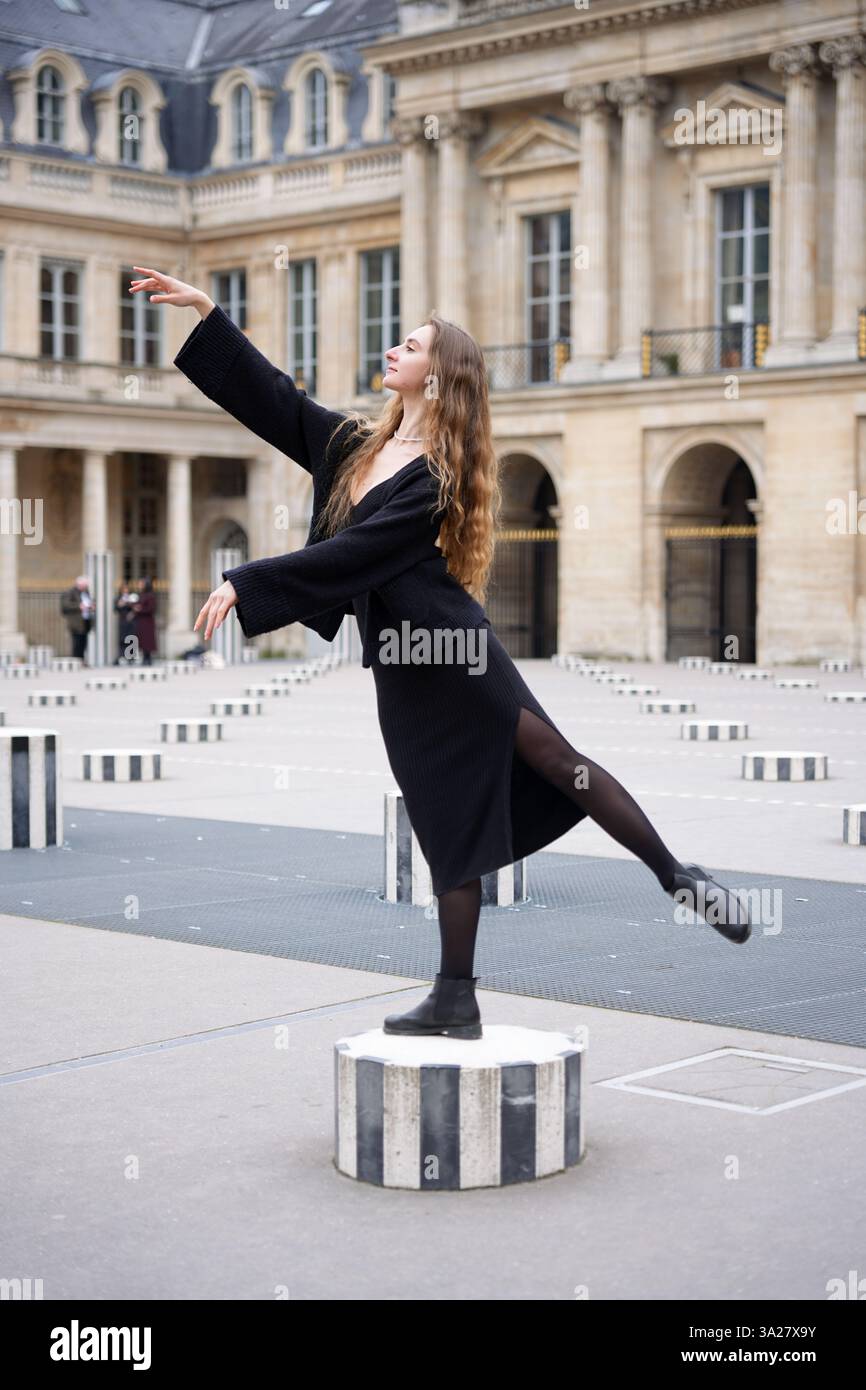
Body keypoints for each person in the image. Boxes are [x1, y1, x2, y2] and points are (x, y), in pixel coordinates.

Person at [133, 263, 752, 1044]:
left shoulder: (436, 475)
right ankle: (455, 996)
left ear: (440, 374)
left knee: (560, 763)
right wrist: (207, 315)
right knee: (445, 824)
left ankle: (678, 877)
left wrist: (247, 584)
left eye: (412, 345)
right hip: (400, 665)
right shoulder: (355, 446)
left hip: (455, 651)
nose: (395, 350)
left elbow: (357, 555)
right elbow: (276, 403)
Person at [59, 574, 94, 665]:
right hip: (76, 622)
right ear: (79, 584)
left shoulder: (86, 593)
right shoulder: (70, 593)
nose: (85, 587)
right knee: (77, 643)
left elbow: (88, 603)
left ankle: (82, 660)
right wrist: (79, 606)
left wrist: (91, 606)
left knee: (83, 642)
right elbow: (65, 606)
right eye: (84, 585)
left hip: (85, 621)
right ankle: (76, 661)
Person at [132, 576, 157, 666]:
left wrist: (140, 609)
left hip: (147, 622)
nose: (139, 585)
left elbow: (151, 608)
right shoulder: (141, 595)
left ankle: (148, 658)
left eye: (141, 584)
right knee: (142, 640)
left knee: (148, 640)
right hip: (141, 621)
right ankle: (144, 657)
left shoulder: (150, 595)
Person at [114, 581, 138, 664]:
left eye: (126, 589)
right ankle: (121, 656)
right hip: (123, 620)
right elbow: (116, 609)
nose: (125, 590)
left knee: (131, 638)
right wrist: (120, 604)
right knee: (122, 639)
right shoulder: (119, 598)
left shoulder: (132, 597)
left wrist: (132, 613)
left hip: (131, 621)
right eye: (123, 589)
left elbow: (136, 607)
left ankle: (131, 657)